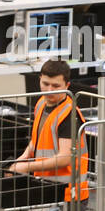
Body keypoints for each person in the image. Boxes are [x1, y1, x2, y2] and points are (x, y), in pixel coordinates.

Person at [9, 59, 90, 202]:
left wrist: (26, 166)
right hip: (45, 188)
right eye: (45, 84)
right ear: (40, 79)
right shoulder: (41, 103)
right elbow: (38, 139)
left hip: (67, 196)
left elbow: (64, 158)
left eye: (56, 86)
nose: (49, 90)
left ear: (67, 85)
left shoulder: (69, 115)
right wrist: (21, 159)